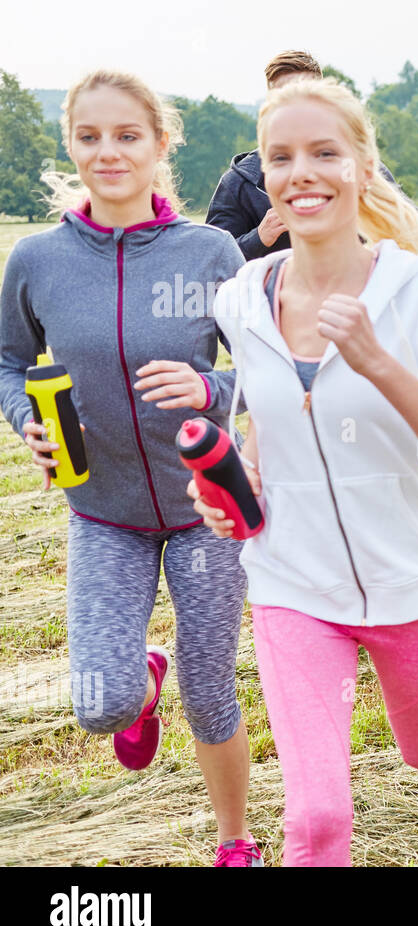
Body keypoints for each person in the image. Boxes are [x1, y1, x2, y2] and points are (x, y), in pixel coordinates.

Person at [191, 77, 418, 867]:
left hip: (410, 582)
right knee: (318, 817)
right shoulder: (240, 301)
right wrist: (229, 485)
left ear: (362, 165)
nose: (302, 173)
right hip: (293, 584)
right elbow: (259, 425)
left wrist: (376, 362)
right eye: (281, 157)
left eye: (324, 152)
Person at [0, 70, 260, 866]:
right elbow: (9, 363)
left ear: (160, 143)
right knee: (98, 706)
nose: (106, 152)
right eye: (89, 137)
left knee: (211, 691)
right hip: (102, 510)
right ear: (70, 144)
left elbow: (269, 368)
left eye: (126, 136)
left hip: (205, 508)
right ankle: (138, 683)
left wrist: (210, 386)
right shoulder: (37, 261)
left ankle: (234, 842)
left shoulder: (211, 252)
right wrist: (27, 424)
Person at [206, 50, 405, 260]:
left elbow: (408, 234)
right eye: (283, 99)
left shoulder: (363, 169)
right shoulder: (238, 183)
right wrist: (258, 238)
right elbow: (210, 264)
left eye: (306, 97)